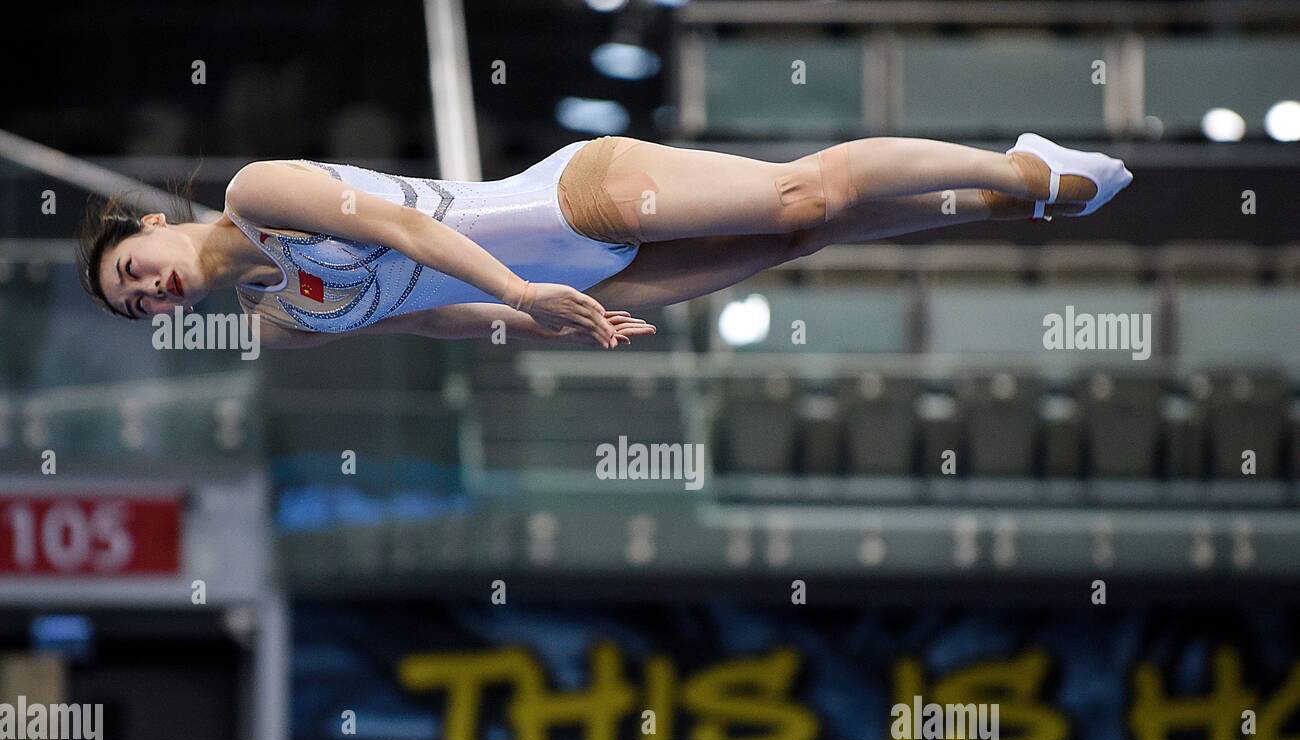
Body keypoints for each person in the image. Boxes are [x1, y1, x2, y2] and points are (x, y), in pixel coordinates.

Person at [77, 133, 1131, 350]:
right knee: (799, 244)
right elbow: (426, 313)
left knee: (797, 196)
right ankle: (998, 210)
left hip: (567, 204)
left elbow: (400, 228)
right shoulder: (285, 320)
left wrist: (522, 287)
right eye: (140, 307)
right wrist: (530, 316)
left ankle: (1018, 168)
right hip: (562, 283)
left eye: (133, 272)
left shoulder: (256, 193)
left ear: (151, 225)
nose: (152, 292)